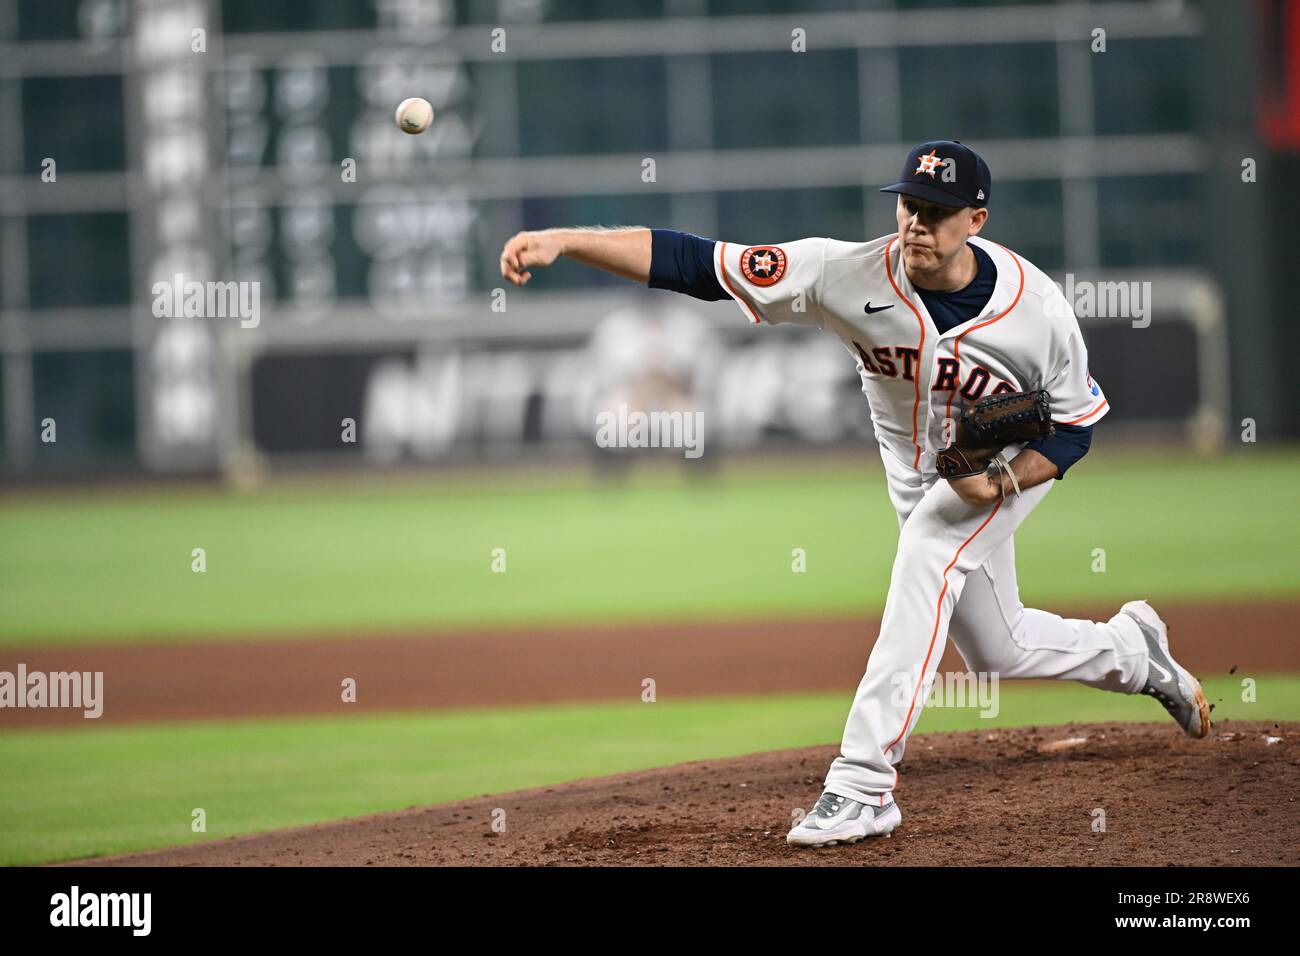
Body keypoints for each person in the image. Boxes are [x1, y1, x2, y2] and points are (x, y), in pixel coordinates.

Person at [498, 139, 1209, 849]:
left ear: (978, 220)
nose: (917, 224)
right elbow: (696, 262)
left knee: (931, 546)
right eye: (909, 206)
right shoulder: (841, 273)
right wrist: (564, 242)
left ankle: (863, 784)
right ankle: (1133, 651)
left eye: (938, 211)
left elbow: (1074, 430)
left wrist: (995, 482)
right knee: (998, 646)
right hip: (916, 475)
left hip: (998, 468)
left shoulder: (1037, 310)